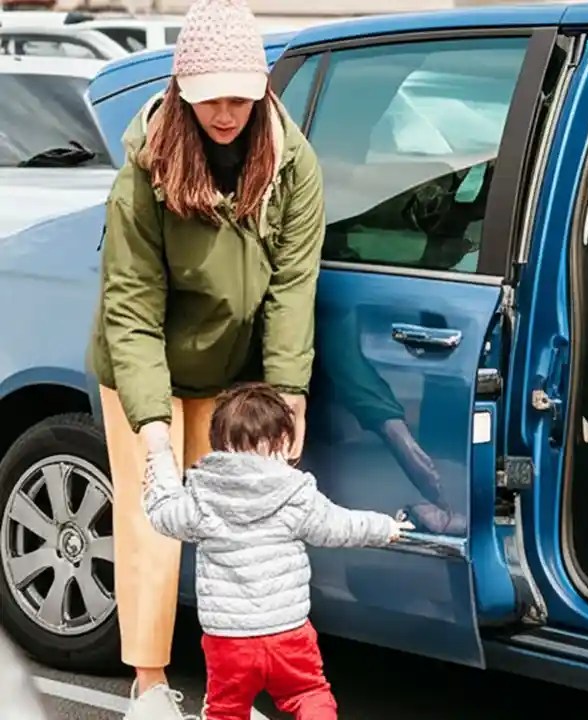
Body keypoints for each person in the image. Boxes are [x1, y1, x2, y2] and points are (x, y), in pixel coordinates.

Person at [87, 0, 325, 717]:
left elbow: (293, 287)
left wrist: (287, 397)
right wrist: (152, 427)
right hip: (145, 361)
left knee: (240, 530)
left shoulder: (291, 162)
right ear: (183, 94)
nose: (226, 112)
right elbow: (132, 304)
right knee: (154, 521)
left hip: (234, 375)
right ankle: (151, 684)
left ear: (260, 90)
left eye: (240, 96)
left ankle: (235, 686)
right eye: (211, 97)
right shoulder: (145, 170)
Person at [142, 383, 412, 720]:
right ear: (283, 441)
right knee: (308, 692)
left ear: (219, 446)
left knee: (225, 710)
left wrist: (161, 458)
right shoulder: (296, 493)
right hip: (288, 632)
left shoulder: (203, 496)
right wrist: (385, 527)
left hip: (229, 641)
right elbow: (340, 525)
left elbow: (163, 513)